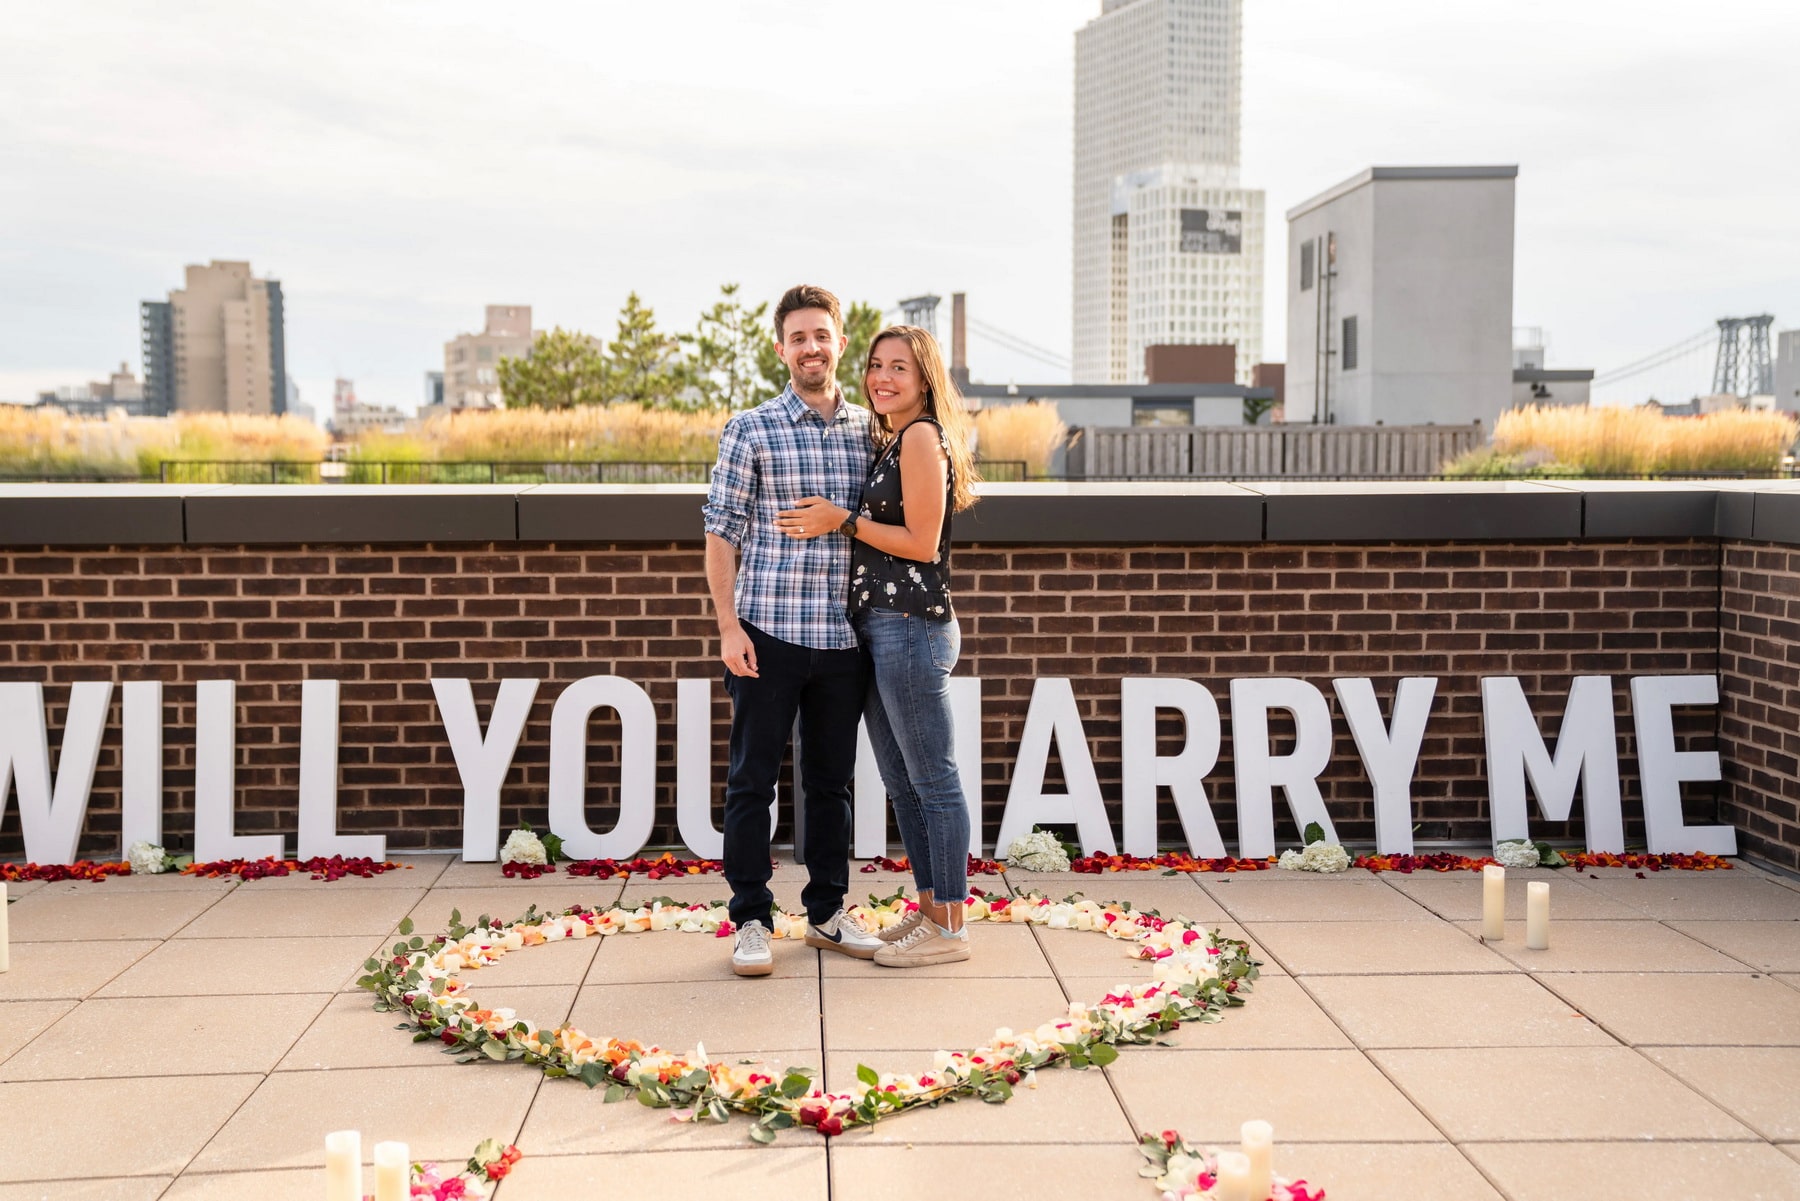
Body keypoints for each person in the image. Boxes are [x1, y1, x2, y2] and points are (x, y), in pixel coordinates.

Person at [776, 324, 980, 967]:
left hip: (911, 625)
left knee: (933, 779)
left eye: (900, 368)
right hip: (880, 628)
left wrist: (843, 519)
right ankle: (929, 912)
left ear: (925, 380)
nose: (883, 378)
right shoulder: (894, 439)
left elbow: (922, 542)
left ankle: (950, 925)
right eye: (876, 366)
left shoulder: (921, 438)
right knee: (902, 779)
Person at [701, 285, 887, 977]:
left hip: (843, 642)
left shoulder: (873, 430)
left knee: (831, 785)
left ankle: (828, 914)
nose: (812, 347)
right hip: (767, 634)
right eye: (798, 337)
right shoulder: (751, 427)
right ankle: (750, 917)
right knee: (752, 781)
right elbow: (720, 534)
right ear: (781, 349)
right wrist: (727, 626)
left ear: (841, 341)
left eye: (822, 334)